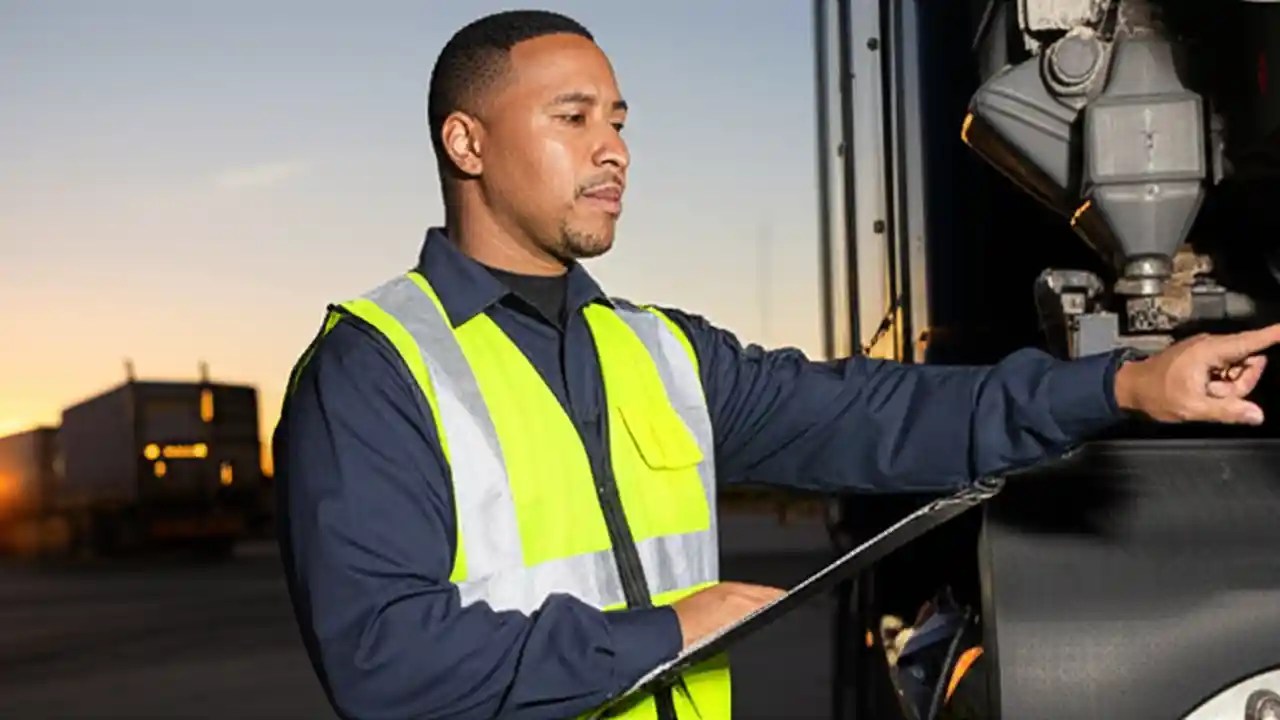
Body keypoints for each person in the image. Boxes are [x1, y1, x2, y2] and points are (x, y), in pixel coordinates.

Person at [272, 9, 1280, 720]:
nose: (613, 149)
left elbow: (875, 416)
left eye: (619, 121)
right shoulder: (374, 371)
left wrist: (1117, 384)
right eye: (573, 118)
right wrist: (668, 630)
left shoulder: (659, 351)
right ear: (468, 142)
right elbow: (385, 662)